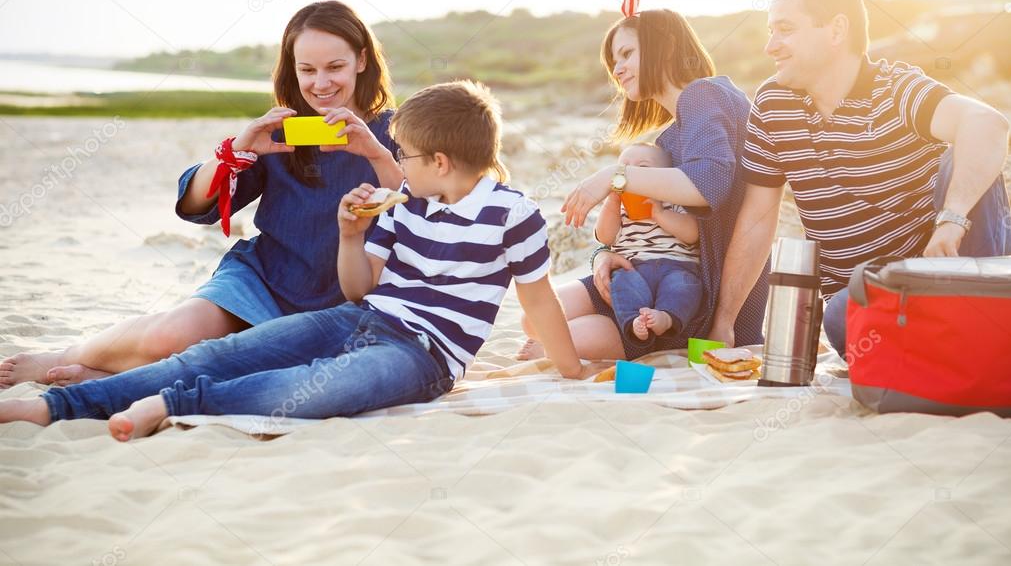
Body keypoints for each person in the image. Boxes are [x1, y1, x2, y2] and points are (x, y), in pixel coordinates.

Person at [0, 81, 601, 438]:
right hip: (352, 319)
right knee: (222, 353)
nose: (399, 166)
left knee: (317, 390)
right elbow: (358, 290)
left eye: (408, 156)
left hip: (421, 356)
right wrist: (347, 234)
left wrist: (569, 368)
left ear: (440, 162)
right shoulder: (404, 204)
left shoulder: (511, 213)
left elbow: (539, 299)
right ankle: (56, 405)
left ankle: (177, 405)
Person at [0, 1, 403, 388]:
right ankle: (67, 355)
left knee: (263, 372)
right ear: (292, 70)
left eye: (335, 67)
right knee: (168, 337)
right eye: (307, 69)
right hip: (265, 279)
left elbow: (427, 209)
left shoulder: (397, 132)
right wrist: (235, 153)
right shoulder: (281, 131)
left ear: (361, 61)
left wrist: (376, 153)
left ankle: (119, 379)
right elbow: (194, 206)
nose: (321, 83)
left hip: (345, 301)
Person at [706, 0, 1011, 356]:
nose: (771, 46)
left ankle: (992, 329)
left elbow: (988, 124)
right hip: (871, 302)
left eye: (785, 29)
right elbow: (757, 220)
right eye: (771, 31)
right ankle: (955, 351)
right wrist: (725, 320)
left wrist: (951, 222)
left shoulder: (895, 88)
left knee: (965, 155)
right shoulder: (773, 103)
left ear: (836, 30)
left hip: (950, 274)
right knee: (840, 315)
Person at [518, 0, 769, 363]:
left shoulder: (706, 93)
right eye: (613, 62)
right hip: (644, 273)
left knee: (555, 333)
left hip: (692, 294)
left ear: (663, 49)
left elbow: (707, 184)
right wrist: (606, 255)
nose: (617, 70)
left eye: (626, 54)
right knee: (531, 320)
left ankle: (618, 338)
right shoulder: (669, 138)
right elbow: (647, 220)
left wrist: (614, 176)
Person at [594, 142, 702, 344]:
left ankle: (666, 317)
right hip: (634, 268)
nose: (632, 174)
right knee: (622, 284)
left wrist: (660, 214)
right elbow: (605, 237)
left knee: (684, 286)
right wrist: (612, 202)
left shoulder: (675, 201)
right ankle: (635, 322)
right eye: (625, 168)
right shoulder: (620, 209)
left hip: (677, 266)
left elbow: (691, 234)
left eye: (643, 168)